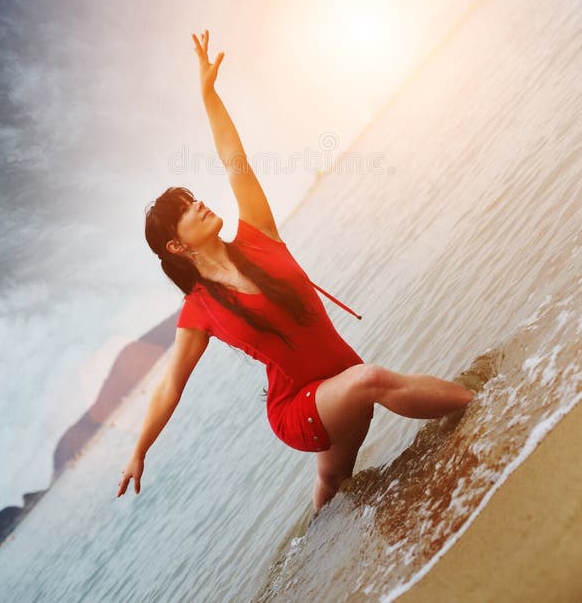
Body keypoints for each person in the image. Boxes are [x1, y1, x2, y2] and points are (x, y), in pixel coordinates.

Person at [117, 29, 475, 513]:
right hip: (299, 410)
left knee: (331, 489)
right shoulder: (199, 310)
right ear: (177, 245)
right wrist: (139, 449)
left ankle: (310, 565)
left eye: (194, 196)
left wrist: (208, 94)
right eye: (187, 207)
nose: (200, 203)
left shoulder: (258, 233)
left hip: (336, 379)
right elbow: (170, 385)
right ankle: (485, 403)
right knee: (372, 381)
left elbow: (232, 155)